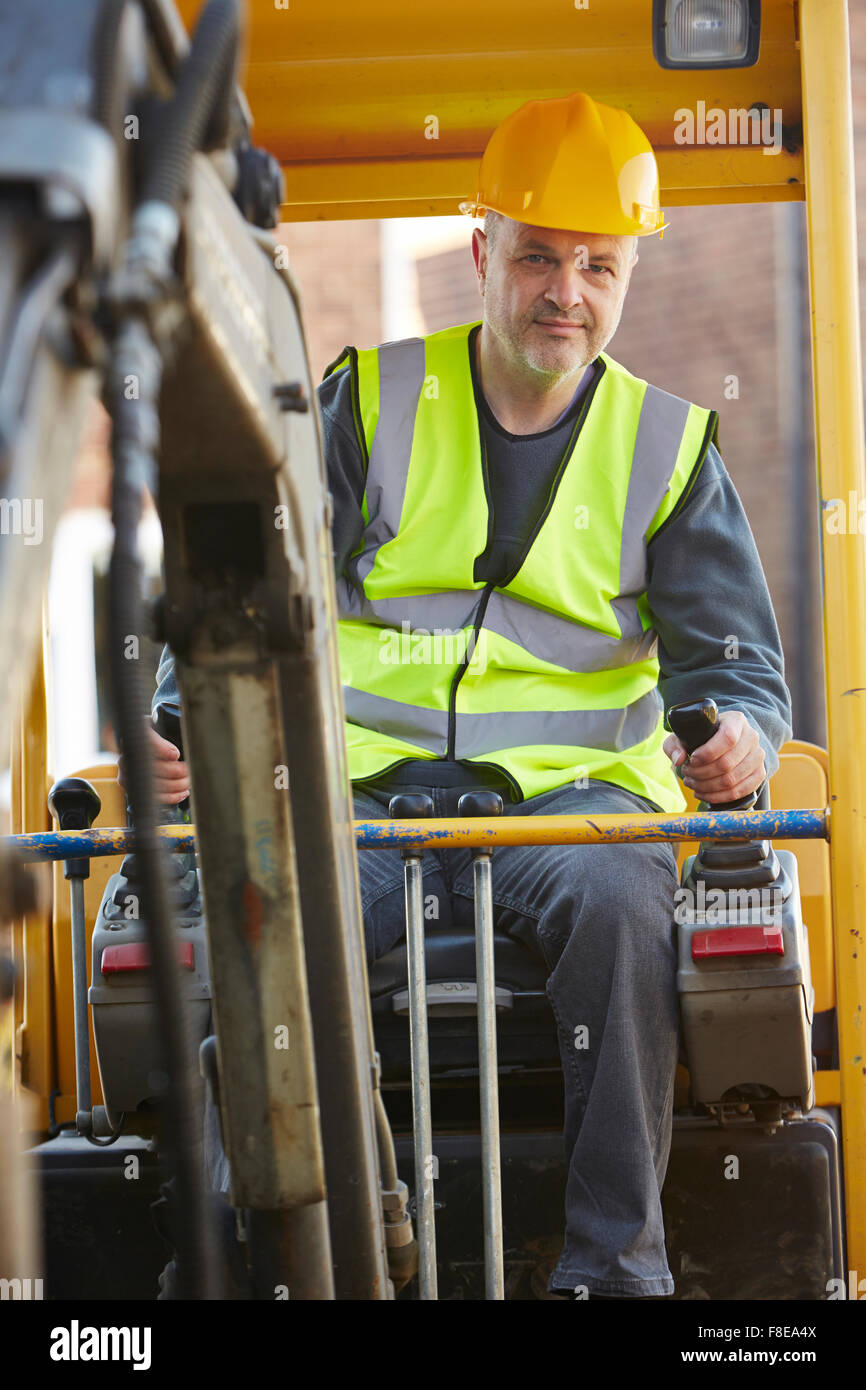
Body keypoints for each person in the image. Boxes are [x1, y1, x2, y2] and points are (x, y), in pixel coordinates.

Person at [141, 91, 792, 1299]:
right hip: (366, 803)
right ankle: (289, 1259)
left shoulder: (667, 445)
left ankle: (611, 1271)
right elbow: (240, 577)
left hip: (570, 809)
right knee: (271, 921)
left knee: (620, 904)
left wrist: (740, 739)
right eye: (539, 255)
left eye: (599, 265)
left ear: (628, 274)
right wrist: (185, 723)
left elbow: (736, 669)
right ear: (482, 250)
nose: (567, 292)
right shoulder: (366, 402)